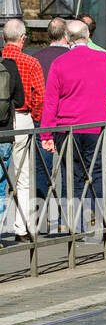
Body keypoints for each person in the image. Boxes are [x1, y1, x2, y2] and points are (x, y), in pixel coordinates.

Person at [40, 20, 106, 237]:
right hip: (96, 128)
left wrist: (46, 134)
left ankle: (75, 224)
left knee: (72, 176)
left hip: (67, 129)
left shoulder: (59, 64)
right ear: (88, 36)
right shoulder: (104, 60)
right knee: (97, 175)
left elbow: (50, 102)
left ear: (68, 39)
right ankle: (95, 222)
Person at [0, 20, 38, 241]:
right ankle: (21, 228)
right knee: (23, 176)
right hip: (22, 119)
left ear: (4, 38)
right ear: (22, 38)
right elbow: (38, 95)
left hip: (2, 123)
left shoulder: (3, 60)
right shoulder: (30, 62)